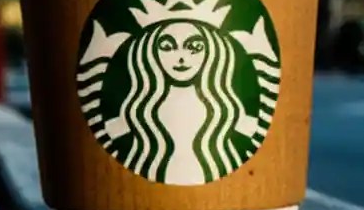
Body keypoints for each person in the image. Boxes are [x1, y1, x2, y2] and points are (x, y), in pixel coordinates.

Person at [103, 20, 264, 185]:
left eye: (194, 47)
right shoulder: (137, 111)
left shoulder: (228, 108)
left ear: (211, 52)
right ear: (151, 53)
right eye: (167, 46)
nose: (181, 57)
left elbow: (251, 130)